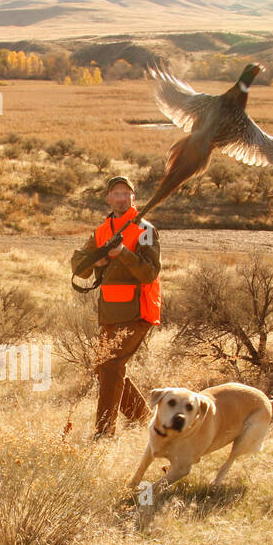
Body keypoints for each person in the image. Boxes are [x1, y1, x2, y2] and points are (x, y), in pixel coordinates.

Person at [70, 175, 162, 438]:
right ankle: (144, 418)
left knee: (110, 366)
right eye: (116, 193)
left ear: (133, 198)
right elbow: (78, 265)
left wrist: (122, 253)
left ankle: (103, 433)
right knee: (104, 368)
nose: (122, 198)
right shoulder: (101, 231)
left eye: (126, 193)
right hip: (110, 310)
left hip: (138, 311)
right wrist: (95, 262)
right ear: (108, 198)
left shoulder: (144, 230)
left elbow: (149, 273)